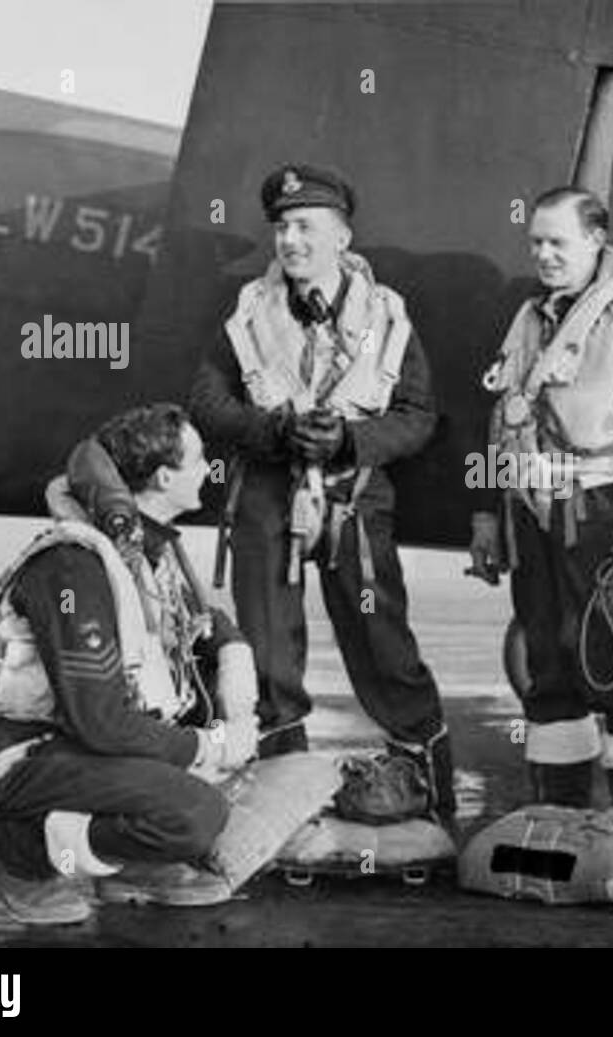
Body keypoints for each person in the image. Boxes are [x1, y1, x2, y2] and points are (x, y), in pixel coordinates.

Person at [190, 163, 456, 822]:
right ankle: (284, 800)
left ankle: (428, 784)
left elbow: (420, 414)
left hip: (353, 496)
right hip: (267, 494)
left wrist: (346, 442)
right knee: (270, 652)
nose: (290, 240)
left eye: (306, 226)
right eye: (282, 226)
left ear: (343, 235)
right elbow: (206, 402)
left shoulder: (387, 317)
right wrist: (275, 428)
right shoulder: (249, 315)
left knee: (382, 641)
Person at [0, 404, 259, 926]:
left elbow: (193, 626)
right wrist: (212, 746)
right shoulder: (74, 567)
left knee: (210, 756)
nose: (210, 469)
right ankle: (13, 855)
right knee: (196, 813)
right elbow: (101, 720)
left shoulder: (146, 554)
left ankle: (132, 865)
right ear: (163, 476)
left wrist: (232, 654)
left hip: (84, 745)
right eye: (200, 459)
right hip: (27, 757)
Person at [467, 187, 613, 831]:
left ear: (596, 240)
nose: (544, 253)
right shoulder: (529, 315)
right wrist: (485, 514)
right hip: (531, 514)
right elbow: (501, 418)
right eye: (536, 241)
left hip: (604, 512)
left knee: (610, 663)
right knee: (547, 667)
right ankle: (557, 821)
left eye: (557, 241)